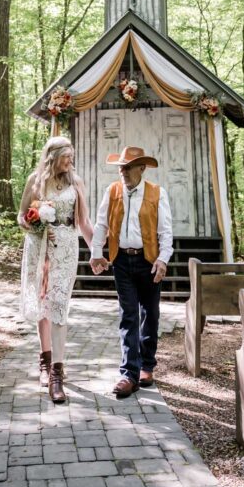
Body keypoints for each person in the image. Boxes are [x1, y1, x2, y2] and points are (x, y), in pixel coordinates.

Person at [90, 145, 173, 398]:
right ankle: (129, 373)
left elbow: (165, 231)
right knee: (128, 316)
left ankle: (147, 365)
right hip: (122, 261)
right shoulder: (112, 191)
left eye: (127, 167)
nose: (123, 172)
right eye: (120, 167)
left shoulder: (157, 193)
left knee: (151, 314)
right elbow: (102, 223)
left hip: (148, 261)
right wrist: (95, 253)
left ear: (141, 168)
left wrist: (163, 259)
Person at [18, 136, 93, 404]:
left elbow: (83, 222)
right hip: (40, 249)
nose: (70, 161)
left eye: (71, 156)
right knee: (44, 304)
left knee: (59, 305)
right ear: (53, 156)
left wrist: (97, 252)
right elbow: (22, 218)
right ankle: (45, 360)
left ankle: (57, 373)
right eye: (66, 157)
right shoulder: (35, 180)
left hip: (67, 249)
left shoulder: (76, 181)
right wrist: (38, 225)